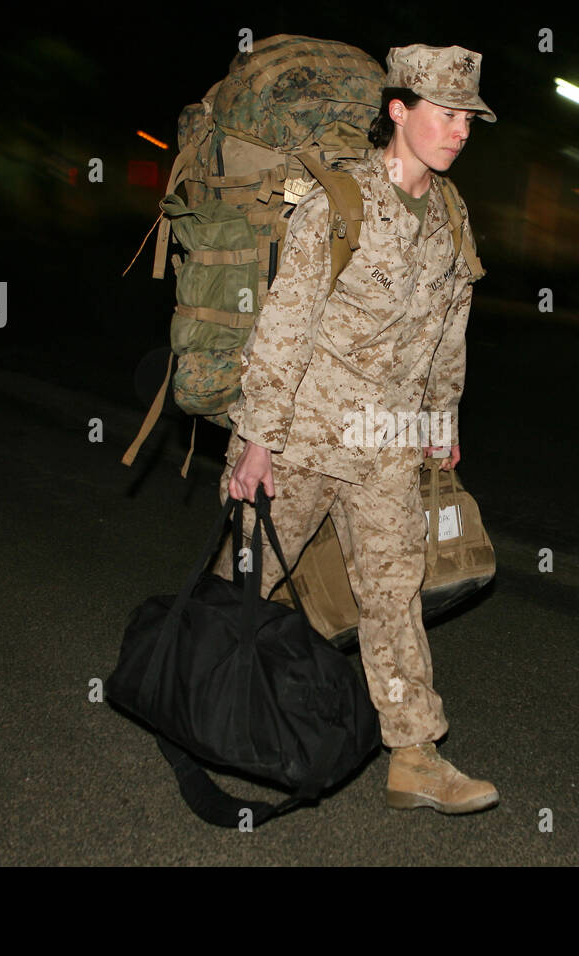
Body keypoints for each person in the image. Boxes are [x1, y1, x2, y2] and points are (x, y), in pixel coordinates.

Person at [215, 43, 498, 815]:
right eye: (446, 113)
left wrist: (443, 414)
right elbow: (286, 325)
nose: (461, 129)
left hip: (385, 447)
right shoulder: (338, 203)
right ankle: (196, 696)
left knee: (393, 593)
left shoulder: (449, 214)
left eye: (469, 116)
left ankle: (414, 755)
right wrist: (257, 440)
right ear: (398, 112)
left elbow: (451, 323)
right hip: (304, 435)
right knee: (247, 578)